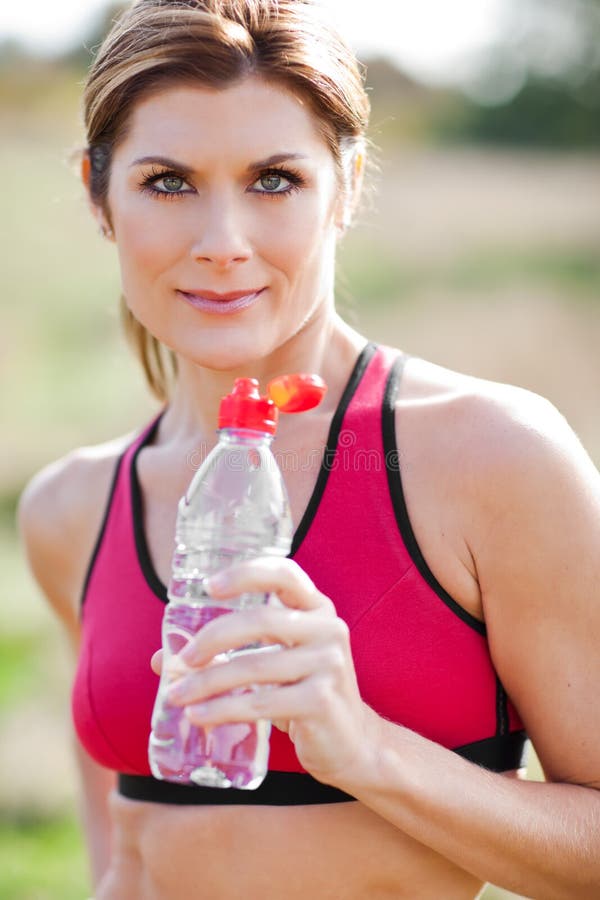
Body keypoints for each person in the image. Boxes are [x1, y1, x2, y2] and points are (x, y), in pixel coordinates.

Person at [18, 1, 600, 897]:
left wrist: (362, 746)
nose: (222, 244)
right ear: (100, 197)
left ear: (348, 186)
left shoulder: (495, 459)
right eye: (168, 182)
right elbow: (120, 842)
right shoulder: (69, 508)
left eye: (275, 180)